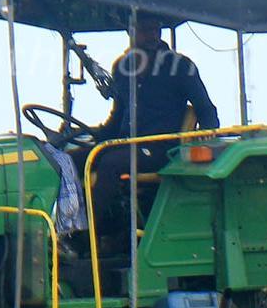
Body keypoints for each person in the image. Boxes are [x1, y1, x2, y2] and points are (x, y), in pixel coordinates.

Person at [88, 15, 221, 216]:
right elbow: (117, 118)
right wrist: (89, 136)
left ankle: (88, 236)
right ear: (130, 31)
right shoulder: (122, 68)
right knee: (70, 159)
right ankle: (64, 226)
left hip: (161, 149)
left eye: (155, 29)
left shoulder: (180, 66)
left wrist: (204, 138)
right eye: (144, 29)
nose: (151, 35)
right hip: (125, 146)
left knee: (110, 164)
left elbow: (207, 111)